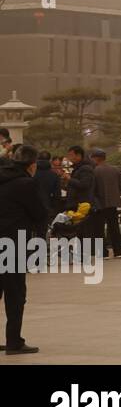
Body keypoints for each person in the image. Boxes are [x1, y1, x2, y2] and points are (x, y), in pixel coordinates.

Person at [0, 145, 46, 355]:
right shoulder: (26, 184)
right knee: (15, 293)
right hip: (12, 244)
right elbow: (39, 213)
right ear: (32, 165)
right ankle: (13, 341)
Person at [89, 148, 121, 259]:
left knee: (99, 229)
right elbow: (120, 186)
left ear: (96, 158)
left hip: (100, 203)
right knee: (114, 227)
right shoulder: (115, 170)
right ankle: (118, 251)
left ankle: (103, 253)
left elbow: (93, 188)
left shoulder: (95, 171)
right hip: (113, 203)